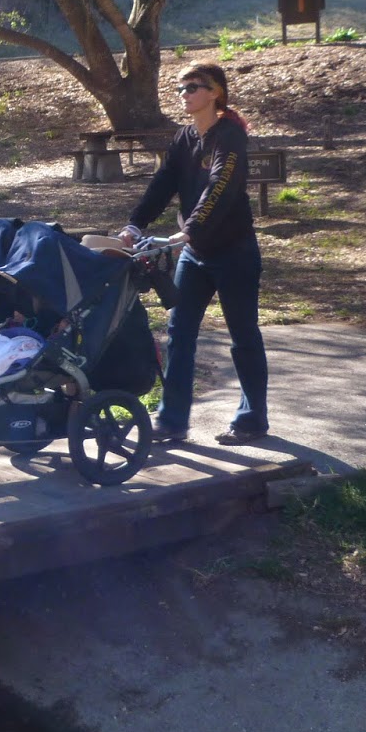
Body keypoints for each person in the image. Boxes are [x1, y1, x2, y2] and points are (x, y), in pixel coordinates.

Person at [117, 62, 269, 445]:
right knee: (179, 333)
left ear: (215, 92)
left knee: (243, 335)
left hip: (234, 252)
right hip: (194, 254)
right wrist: (135, 225)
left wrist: (189, 230)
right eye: (180, 88)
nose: (184, 94)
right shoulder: (185, 137)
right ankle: (172, 421)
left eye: (193, 87)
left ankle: (251, 421)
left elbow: (220, 188)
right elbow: (163, 183)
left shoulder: (230, 136)